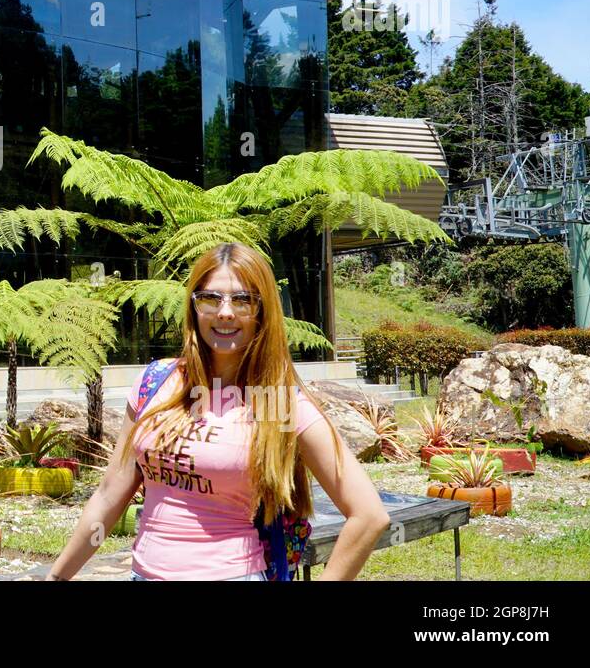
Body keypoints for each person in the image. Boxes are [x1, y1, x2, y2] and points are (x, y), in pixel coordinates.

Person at [46, 241, 390, 581]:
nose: (225, 312)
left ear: (261, 311)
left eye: (242, 300)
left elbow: (369, 515)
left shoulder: (276, 401)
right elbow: (109, 494)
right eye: (211, 298)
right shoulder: (155, 382)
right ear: (194, 307)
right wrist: (58, 577)